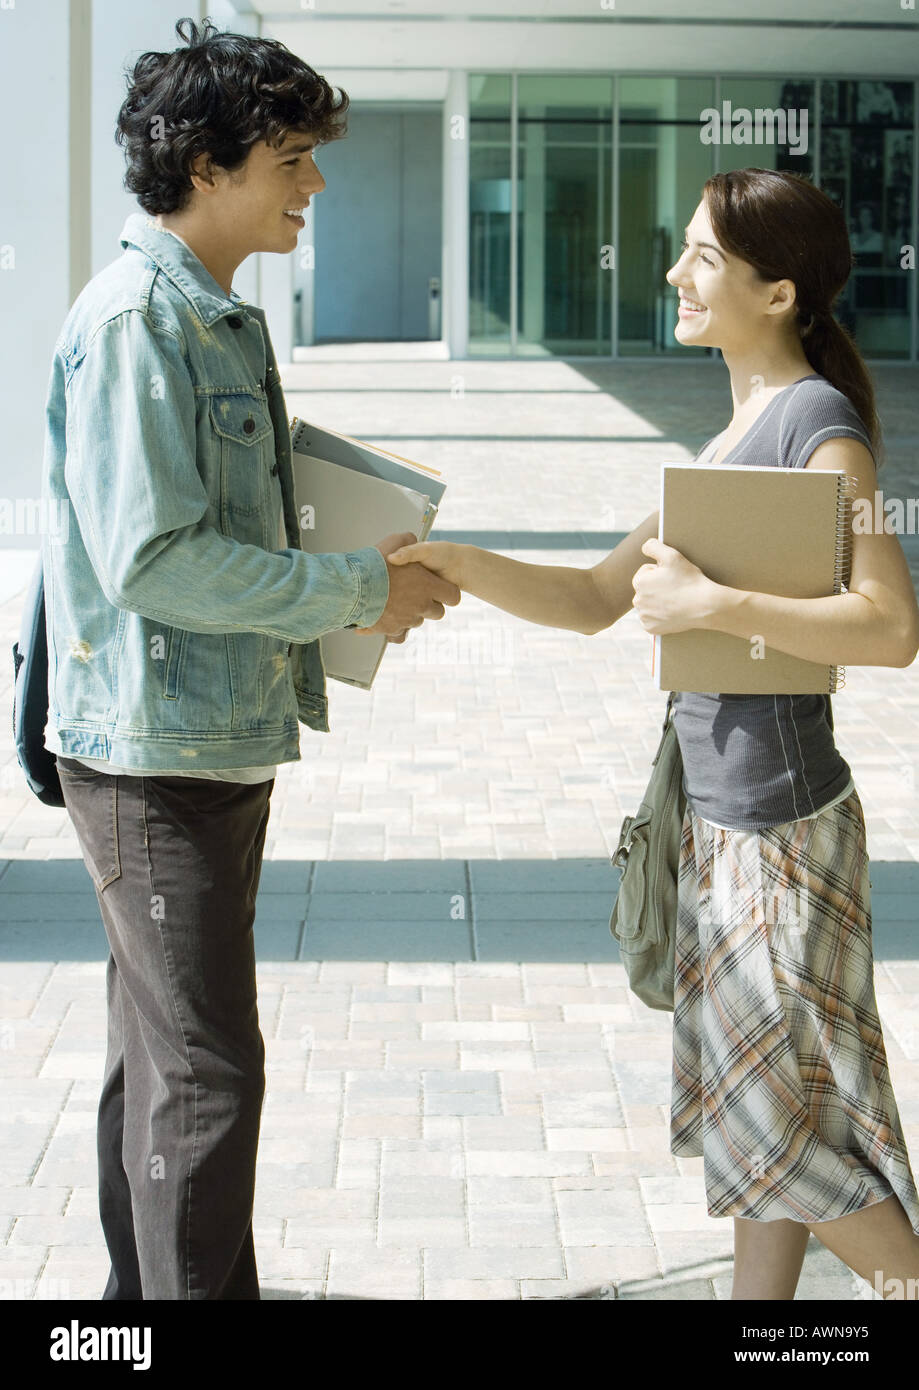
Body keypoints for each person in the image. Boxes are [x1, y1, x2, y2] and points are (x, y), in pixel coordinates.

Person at [390, 167, 919, 1300]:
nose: (675, 273)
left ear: (776, 293)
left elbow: (888, 624)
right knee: (765, 1130)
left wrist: (717, 608)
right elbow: (591, 598)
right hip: (728, 831)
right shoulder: (730, 437)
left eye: (703, 259)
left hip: (777, 836)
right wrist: (456, 563)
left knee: (782, 1133)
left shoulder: (815, 427)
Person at [41, 17, 459, 1300]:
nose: (314, 186)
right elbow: (152, 559)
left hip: (206, 736)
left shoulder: (215, 319)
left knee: (165, 1061)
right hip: (154, 754)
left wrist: (354, 543)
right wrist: (350, 586)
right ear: (209, 165)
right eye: (291, 160)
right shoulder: (135, 325)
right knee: (208, 1074)